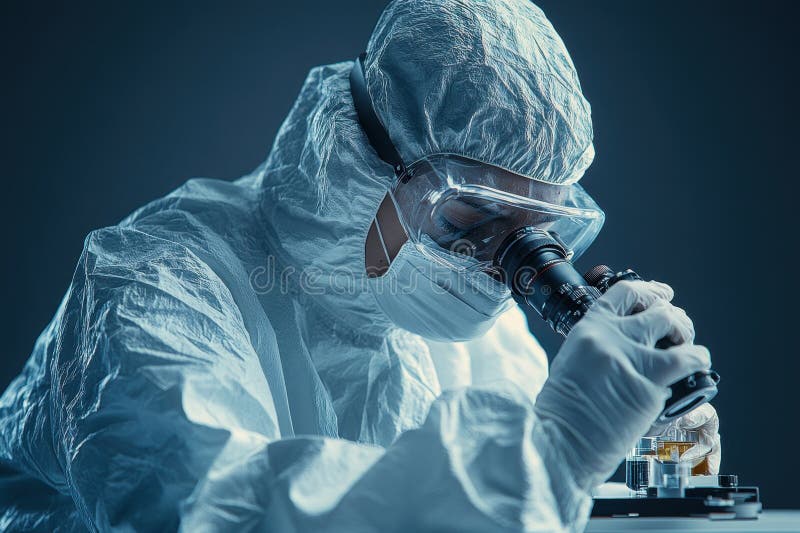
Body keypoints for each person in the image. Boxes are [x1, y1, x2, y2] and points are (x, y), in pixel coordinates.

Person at [0, 0, 720, 531]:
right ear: (358, 162)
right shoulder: (156, 283)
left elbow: (528, 499)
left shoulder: (469, 332)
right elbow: (207, 509)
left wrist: (633, 452)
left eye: (536, 231)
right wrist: (556, 451)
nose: (496, 266)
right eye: (472, 219)